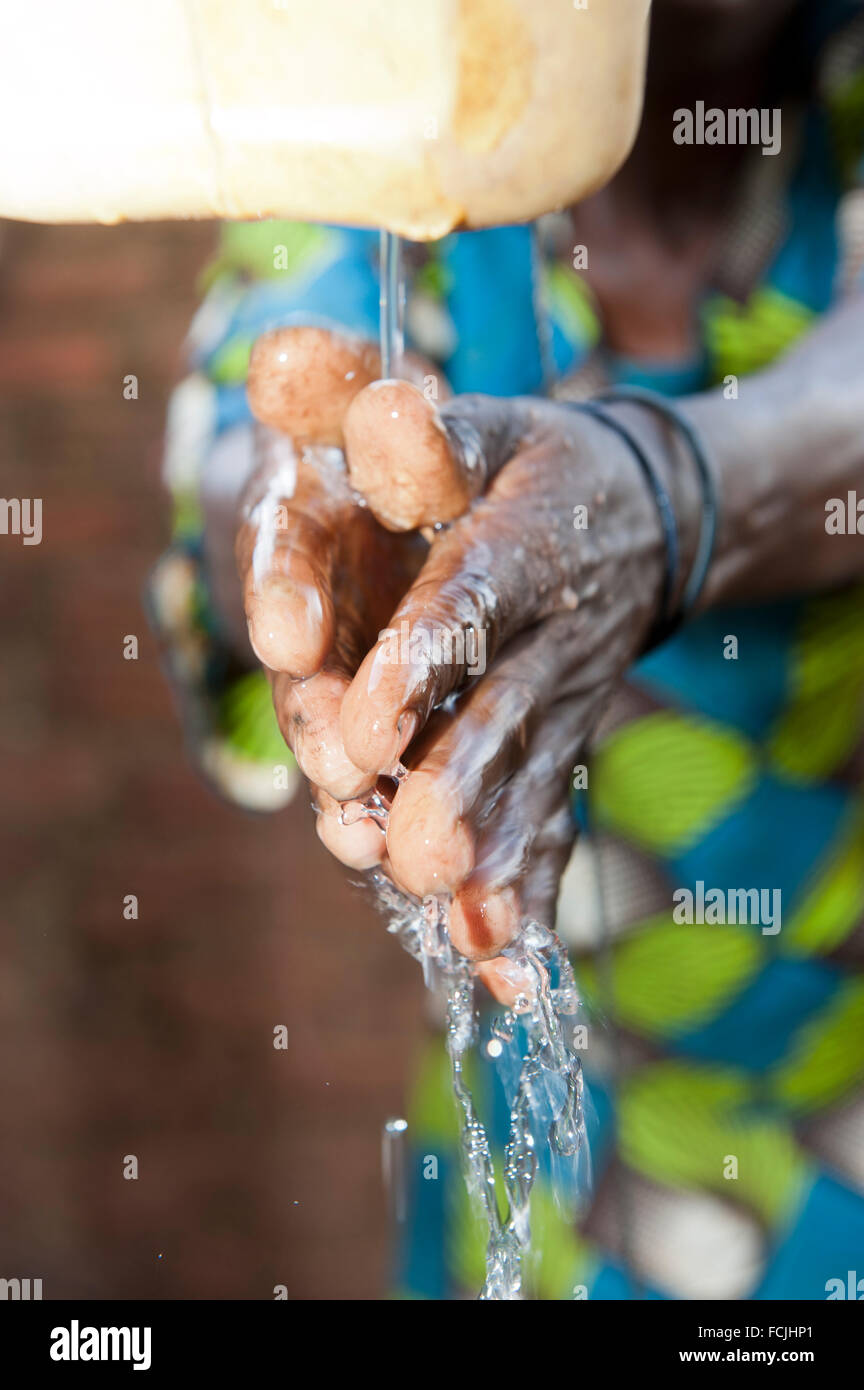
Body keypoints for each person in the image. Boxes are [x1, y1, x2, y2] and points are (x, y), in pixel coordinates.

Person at [149, 0, 864, 1298]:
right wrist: (301, 536)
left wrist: (667, 499)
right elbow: (272, 395)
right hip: (548, 1169)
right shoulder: (397, 145)